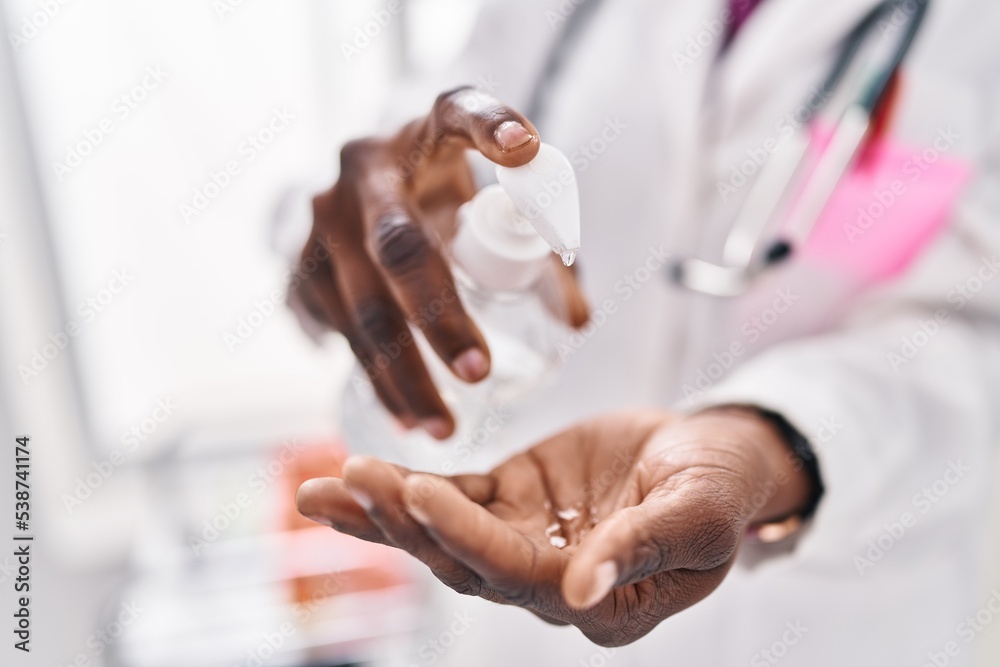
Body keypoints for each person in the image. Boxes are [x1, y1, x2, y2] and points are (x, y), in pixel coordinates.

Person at [293, 0, 1000, 663]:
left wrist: (773, 435)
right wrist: (350, 238)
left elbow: (977, 335)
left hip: (833, 625)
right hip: (521, 602)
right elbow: (426, 146)